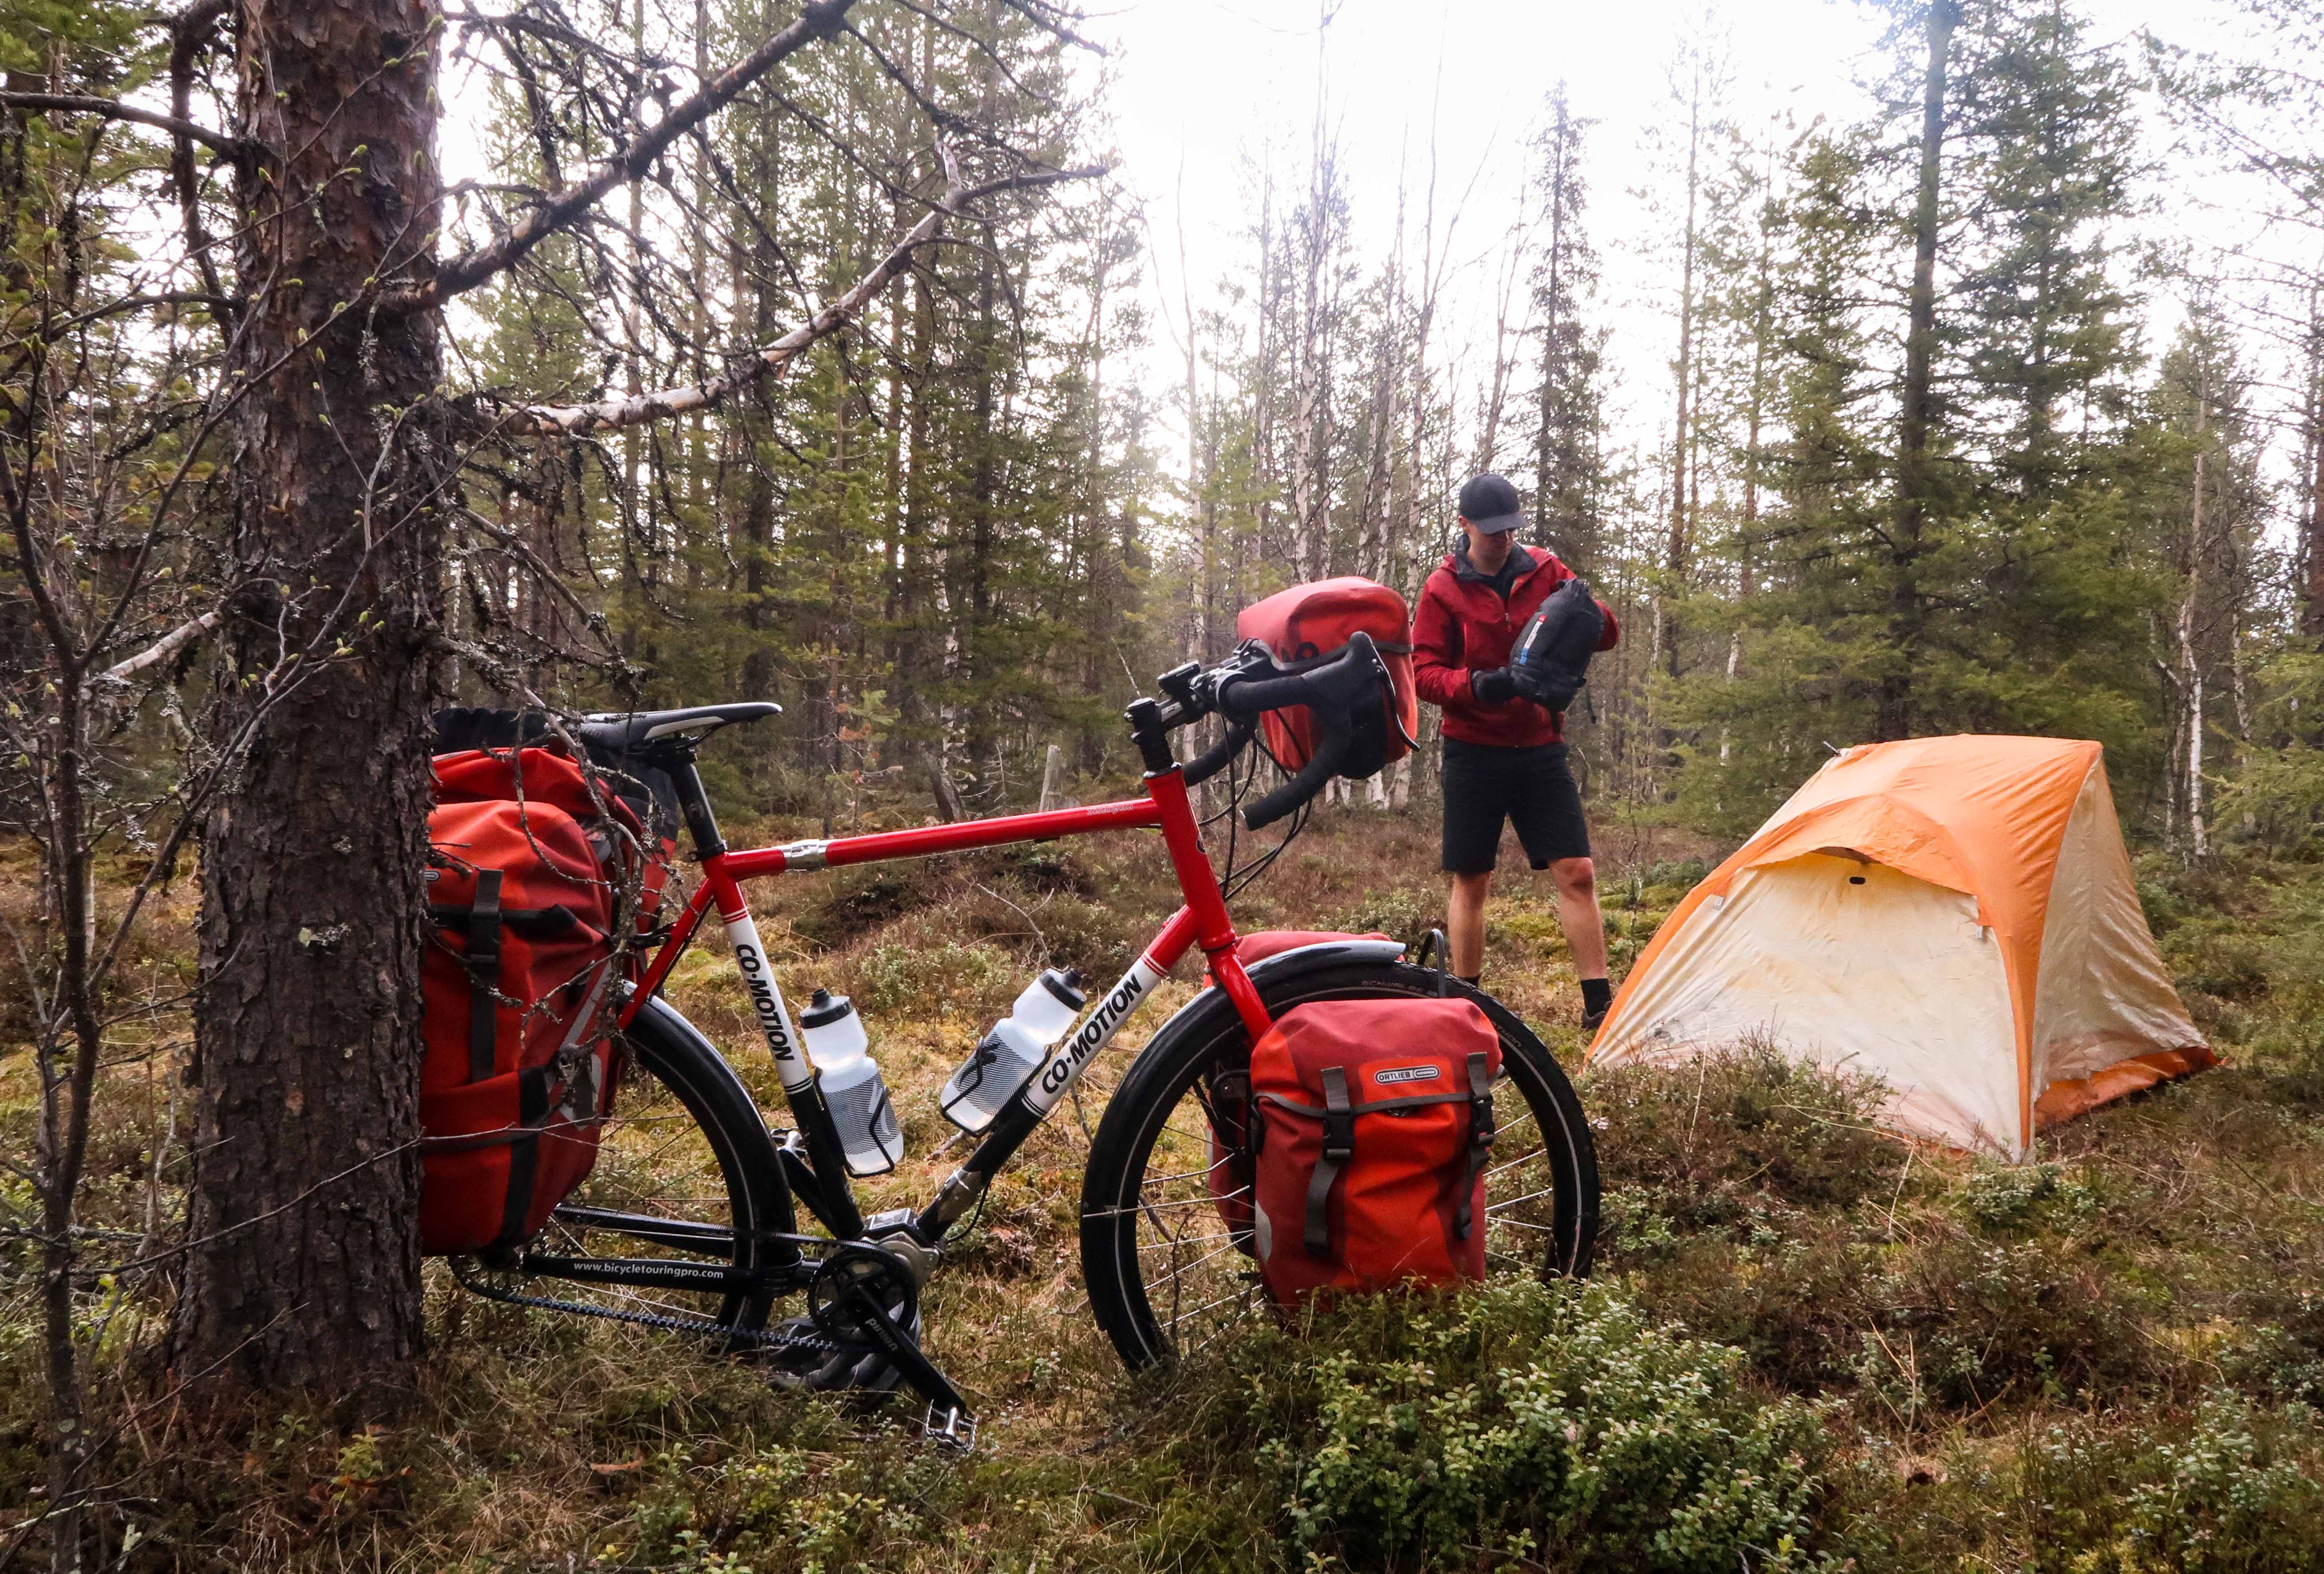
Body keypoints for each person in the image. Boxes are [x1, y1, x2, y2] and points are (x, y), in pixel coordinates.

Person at [1411, 472, 1621, 1027]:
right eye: (1492, 531)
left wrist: (1586, 613)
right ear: (1464, 526)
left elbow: (1606, 633)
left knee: (1577, 870)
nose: (1504, 539)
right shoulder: (1441, 588)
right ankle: (1466, 1003)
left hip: (1538, 746)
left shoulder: (1546, 570)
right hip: (1472, 750)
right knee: (1472, 876)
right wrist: (1478, 685)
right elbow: (1423, 674)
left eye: (1511, 529)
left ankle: (1599, 1005)